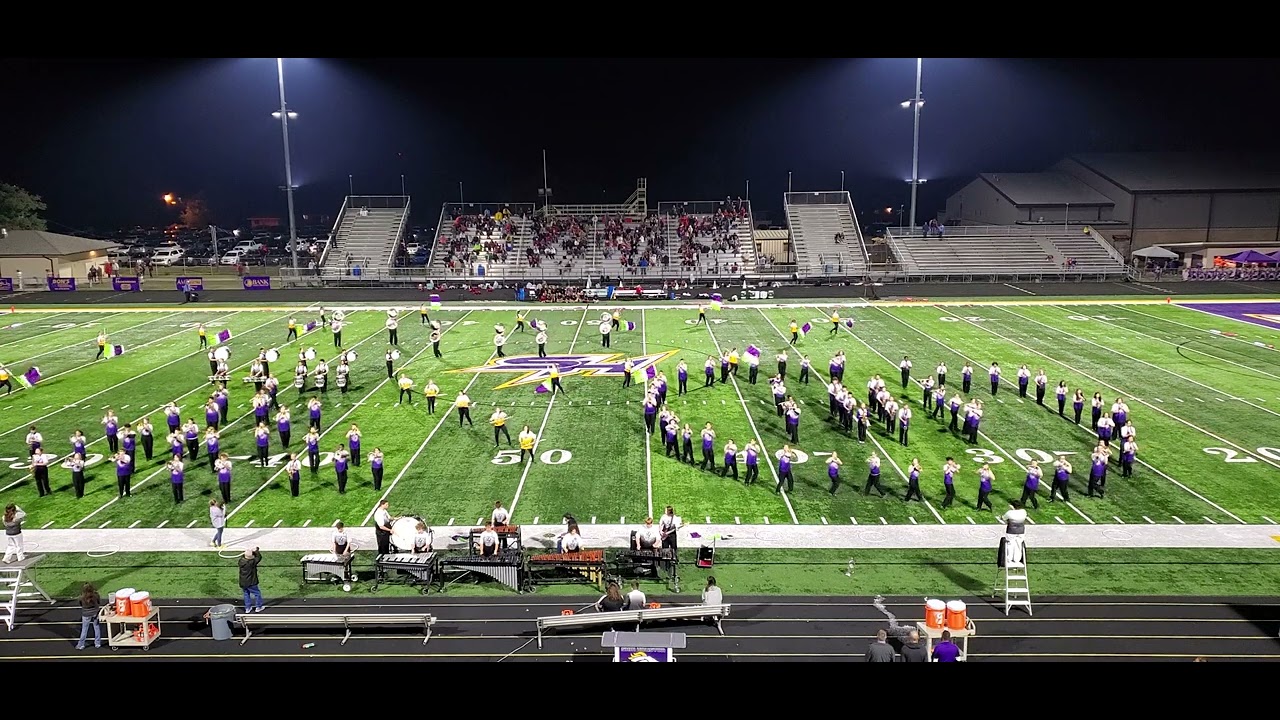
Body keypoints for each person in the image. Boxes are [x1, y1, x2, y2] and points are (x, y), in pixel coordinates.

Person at [77, 583, 102, 650]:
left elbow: (80, 604)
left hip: (86, 614)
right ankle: (97, 643)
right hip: (95, 613)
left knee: (84, 629)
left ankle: (81, 645)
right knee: (96, 627)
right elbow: (99, 602)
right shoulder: (96, 595)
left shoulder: (81, 597)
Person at [239, 547, 264, 614]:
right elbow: (259, 557)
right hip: (251, 582)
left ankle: (248, 608)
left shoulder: (241, 561)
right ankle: (258, 607)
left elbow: (244, 556)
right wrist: (256, 550)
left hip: (243, 582)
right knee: (257, 593)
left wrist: (247, 552)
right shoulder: (252, 563)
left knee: (246, 594)